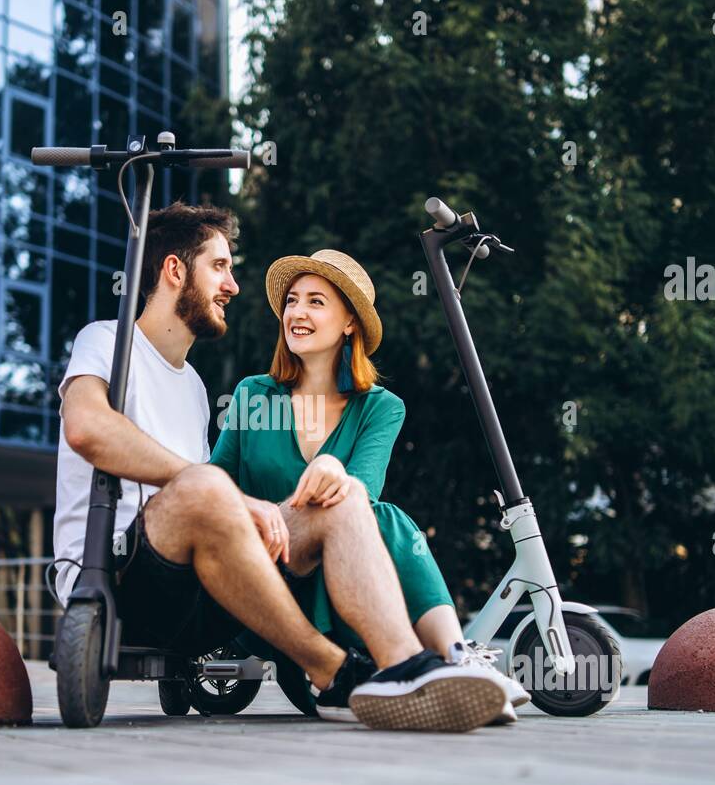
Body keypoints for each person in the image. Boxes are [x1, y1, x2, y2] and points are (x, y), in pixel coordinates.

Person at [53, 202, 509, 731]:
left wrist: (258, 505)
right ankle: (333, 670)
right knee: (205, 485)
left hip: (203, 592)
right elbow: (87, 428)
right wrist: (231, 498)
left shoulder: (194, 386)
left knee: (346, 501)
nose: (234, 286)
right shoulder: (107, 342)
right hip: (124, 577)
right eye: (220, 267)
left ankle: (406, 666)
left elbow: (217, 506)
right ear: (176, 271)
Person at [209, 250, 529, 725]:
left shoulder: (381, 407)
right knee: (377, 513)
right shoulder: (255, 395)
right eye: (293, 301)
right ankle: (450, 655)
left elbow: (363, 490)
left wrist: (338, 474)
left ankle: (441, 665)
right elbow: (215, 486)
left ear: (349, 324)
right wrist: (268, 510)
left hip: (345, 593)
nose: (297, 312)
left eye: (316, 302)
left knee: (377, 512)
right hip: (267, 569)